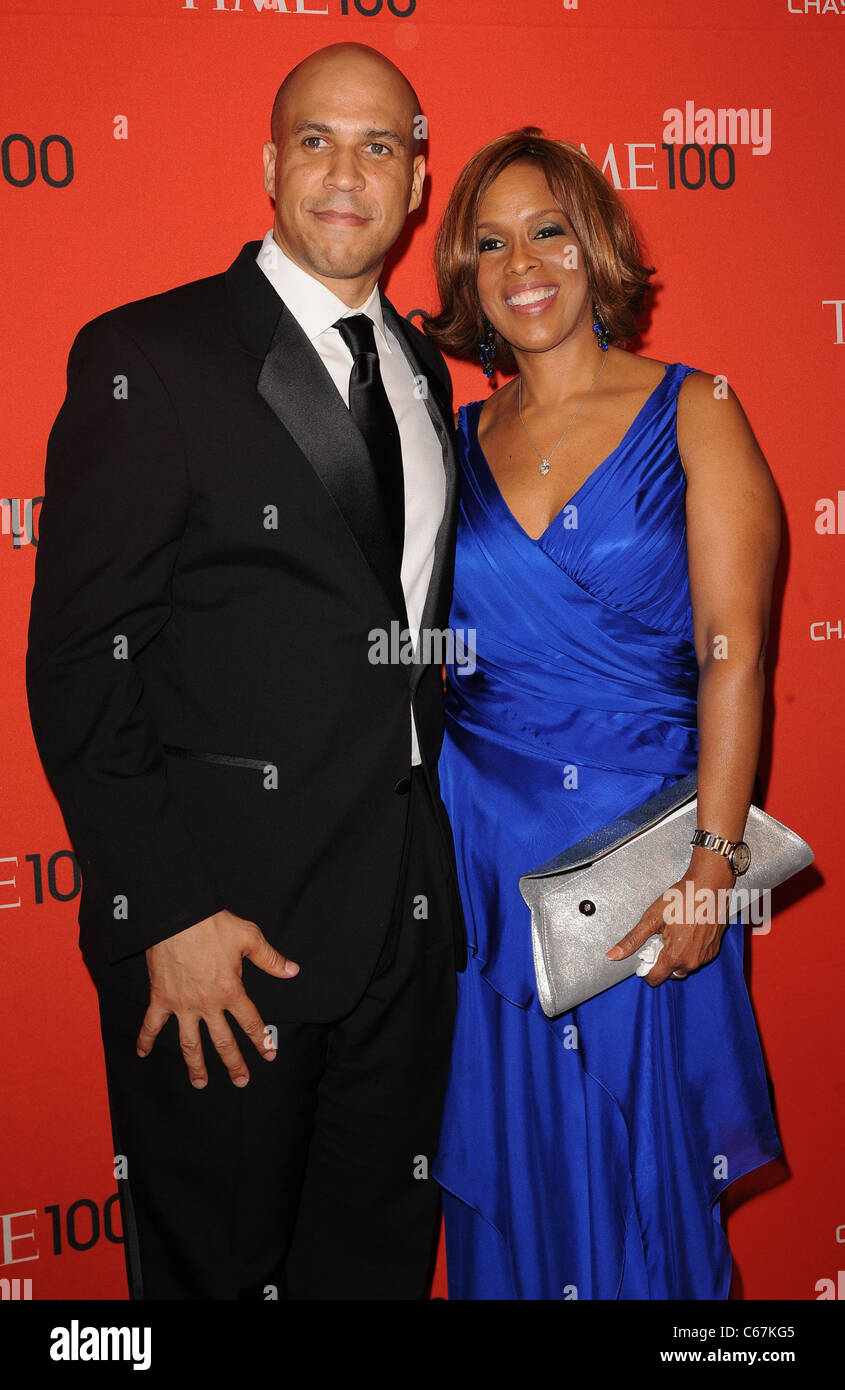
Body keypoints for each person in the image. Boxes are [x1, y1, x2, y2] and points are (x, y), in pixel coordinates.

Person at [25, 42, 466, 1301]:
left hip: (402, 924)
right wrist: (164, 912)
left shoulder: (426, 369)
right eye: (316, 140)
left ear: (416, 181)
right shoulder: (151, 355)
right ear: (271, 164)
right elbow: (79, 661)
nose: (347, 173)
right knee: (215, 1276)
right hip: (223, 933)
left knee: (371, 1266)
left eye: (379, 146)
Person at [423, 127, 783, 1300]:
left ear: (595, 247)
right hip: (482, 868)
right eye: (489, 244)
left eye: (547, 231)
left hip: (643, 866)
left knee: (642, 1167)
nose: (521, 263)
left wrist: (712, 864)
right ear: (466, 276)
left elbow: (734, 653)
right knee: (516, 1164)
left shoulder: (693, 408)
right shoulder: (450, 442)